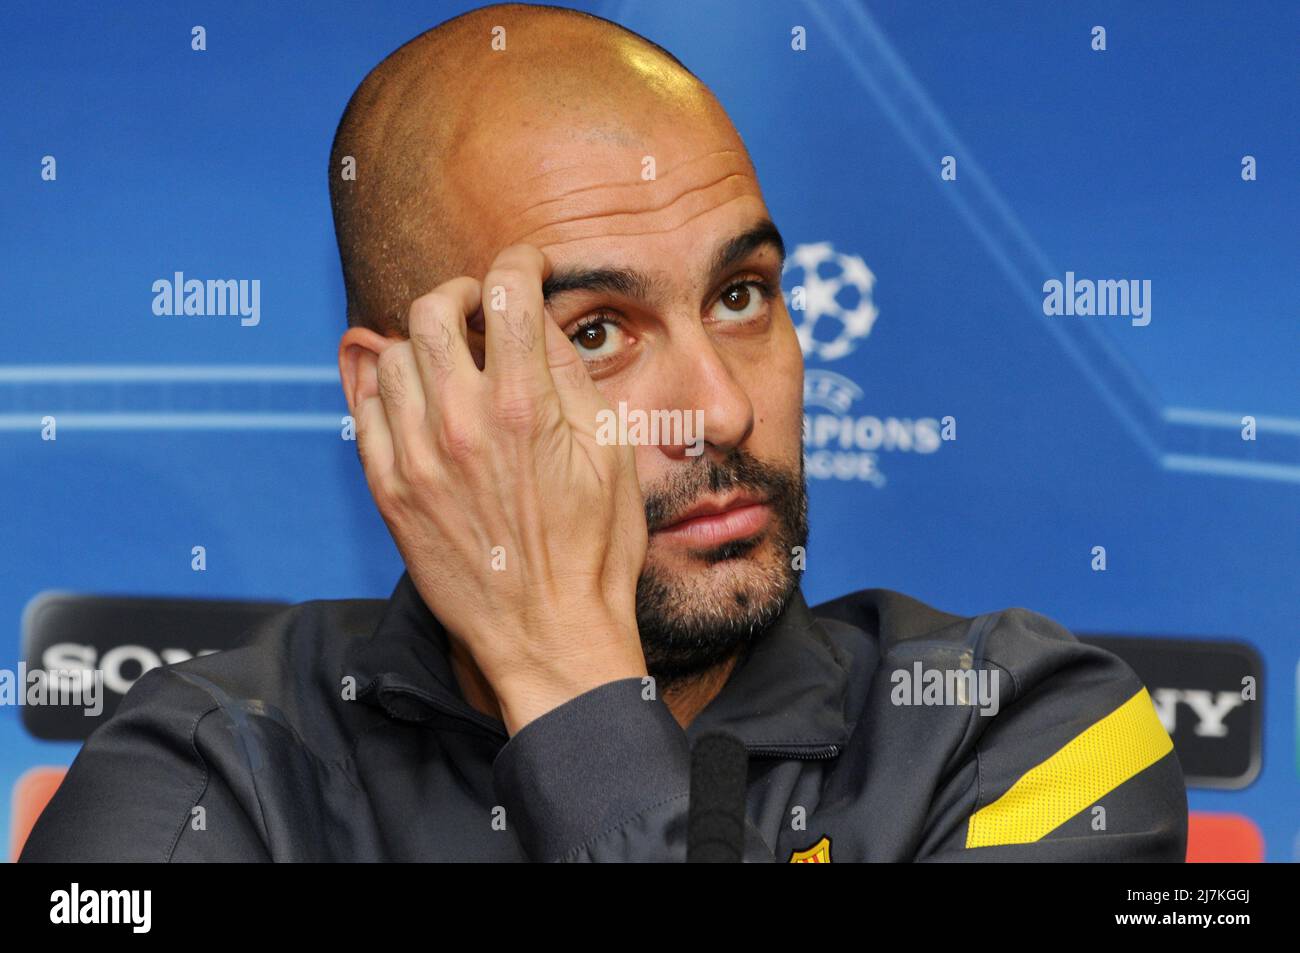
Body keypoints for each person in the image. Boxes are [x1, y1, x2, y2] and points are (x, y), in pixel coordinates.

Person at [20, 3, 1187, 862]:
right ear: (399, 398)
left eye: (740, 296)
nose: (721, 409)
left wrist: (568, 692)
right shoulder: (205, 768)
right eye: (595, 331)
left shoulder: (1027, 730)